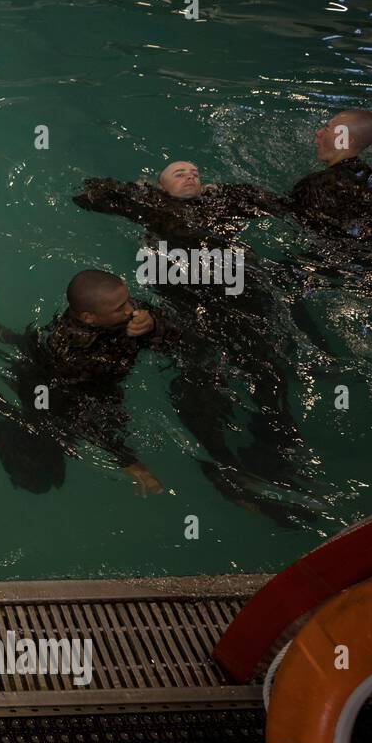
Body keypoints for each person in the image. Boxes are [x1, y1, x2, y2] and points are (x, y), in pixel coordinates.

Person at [74, 162, 317, 527]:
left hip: (236, 295)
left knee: (266, 369)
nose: (190, 174)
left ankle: (275, 450)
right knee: (202, 377)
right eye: (178, 172)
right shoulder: (150, 205)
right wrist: (140, 191)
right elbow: (86, 195)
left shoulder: (224, 202)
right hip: (186, 300)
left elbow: (283, 206)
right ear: (159, 185)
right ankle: (223, 467)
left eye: (194, 171)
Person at [0, 270, 171, 495]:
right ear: (89, 317)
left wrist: (152, 323)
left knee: (41, 453)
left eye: (128, 301)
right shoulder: (77, 356)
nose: (132, 310)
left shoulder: (105, 314)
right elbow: (82, 413)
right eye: (122, 308)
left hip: (44, 381)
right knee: (44, 445)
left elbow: (168, 331)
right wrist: (128, 461)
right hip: (52, 392)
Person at [289, 109, 372, 243]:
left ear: (344, 139)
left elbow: (288, 214)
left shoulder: (317, 184)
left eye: (327, 128)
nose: (318, 132)